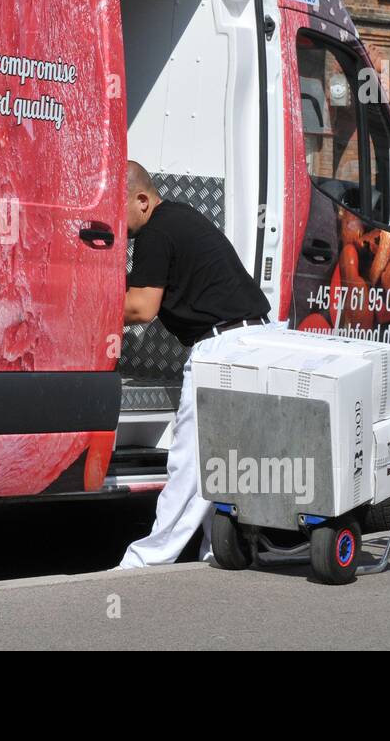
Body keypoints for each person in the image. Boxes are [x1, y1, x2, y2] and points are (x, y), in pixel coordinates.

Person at [119, 160, 271, 568]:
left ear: (143, 200)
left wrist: (91, 305)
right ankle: (218, 549)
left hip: (221, 348)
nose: (116, 224)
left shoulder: (155, 232)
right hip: (251, 338)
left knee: (190, 455)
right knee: (221, 457)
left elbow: (142, 307)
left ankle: (148, 558)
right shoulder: (179, 219)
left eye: (119, 211)